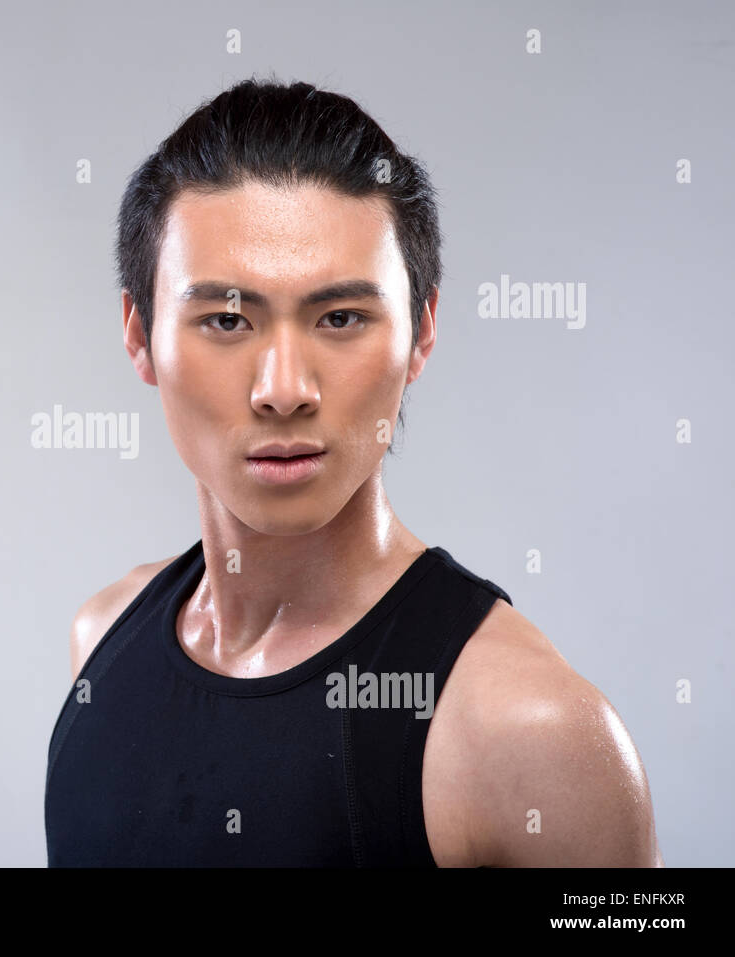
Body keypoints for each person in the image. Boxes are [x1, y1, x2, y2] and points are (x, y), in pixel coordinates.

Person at [43, 77, 663, 867]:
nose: (284, 390)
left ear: (421, 334)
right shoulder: (100, 641)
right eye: (227, 320)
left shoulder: (526, 729)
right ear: (139, 335)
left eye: (340, 318)